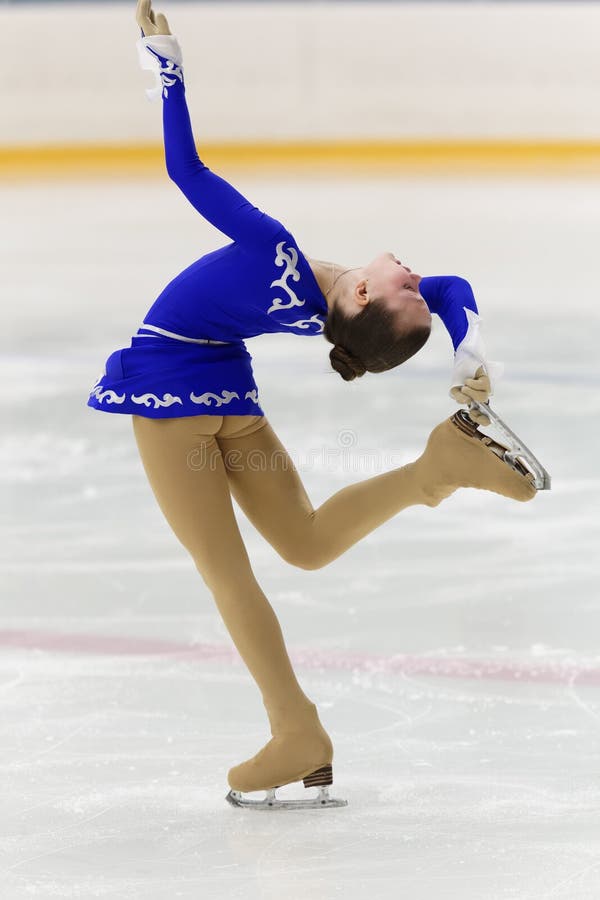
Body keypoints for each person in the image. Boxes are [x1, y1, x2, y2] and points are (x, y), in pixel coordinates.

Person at [86, 0, 536, 807]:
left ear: (362, 292)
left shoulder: (279, 253)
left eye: (402, 282)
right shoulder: (343, 311)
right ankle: (437, 467)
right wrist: (464, 349)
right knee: (306, 542)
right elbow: (448, 291)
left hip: (169, 382)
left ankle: (294, 726)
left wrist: (167, 67)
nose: (412, 271)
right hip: (226, 388)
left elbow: (187, 171)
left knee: (227, 575)